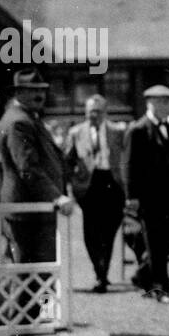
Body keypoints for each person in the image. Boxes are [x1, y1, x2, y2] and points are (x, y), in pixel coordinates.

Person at [0, 69, 73, 318]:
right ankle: (19, 319)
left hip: (33, 209)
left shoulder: (27, 118)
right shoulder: (18, 122)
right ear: (19, 93)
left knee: (35, 269)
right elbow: (28, 168)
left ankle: (30, 318)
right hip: (27, 210)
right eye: (32, 91)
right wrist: (55, 196)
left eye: (42, 91)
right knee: (26, 269)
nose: (39, 95)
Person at [123, 85, 169, 303]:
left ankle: (143, 275)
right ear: (150, 103)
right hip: (149, 198)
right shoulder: (138, 129)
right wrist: (132, 195)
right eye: (162, 101)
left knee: (167, 240)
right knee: (155, 243)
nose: (167, 106)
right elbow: (129, 165)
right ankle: (162, 288)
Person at [64, 94, 125, 292]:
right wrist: (73, 182)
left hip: (112, 184)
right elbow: (67, 160)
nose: (93, 116)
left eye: (98, 112)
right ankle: (100, 273)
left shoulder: (118, 131)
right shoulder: (76, 132)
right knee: (91, 233)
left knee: (109, 232)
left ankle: (103, 272)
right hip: (89, 186)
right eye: (90, 112)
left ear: (105, 113)